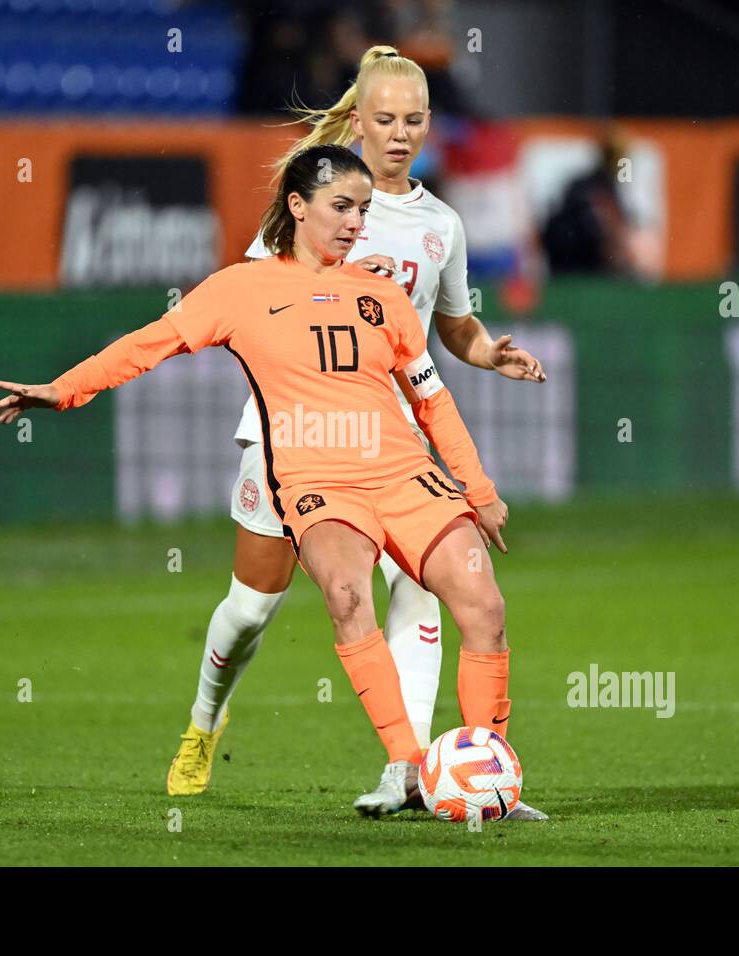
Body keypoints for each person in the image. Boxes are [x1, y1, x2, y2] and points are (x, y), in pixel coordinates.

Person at [0, 143, 545, 819]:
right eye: (341, 207)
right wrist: (63, 391)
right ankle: (402, 762)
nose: (354, 223)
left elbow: (431, 400)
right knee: (337, 593)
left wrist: (479, 492)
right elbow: (146, 345)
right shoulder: (239, 290)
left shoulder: (381, 293)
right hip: (315, 479)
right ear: (297, 205)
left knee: (483, 605)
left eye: (364, 210)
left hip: (404, 471)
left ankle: (488, 779)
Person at [168, 44, 545, 812]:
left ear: (430, 124)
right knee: (250, 609)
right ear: (359, 121)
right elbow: (253, 301)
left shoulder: (440, 223)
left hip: (395, 447)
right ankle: (204, 722)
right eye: (384, 119)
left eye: (413, 120)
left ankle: (414, 772)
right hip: (295, 439)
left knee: (422, 592)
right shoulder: (317, 201)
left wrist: (488, 352)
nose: (400, 133)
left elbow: (455, 329)